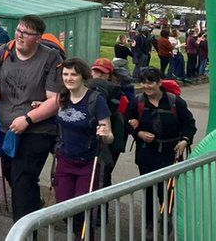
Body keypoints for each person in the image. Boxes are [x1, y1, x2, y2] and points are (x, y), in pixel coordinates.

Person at [0, 14, 63, 222]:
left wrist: (27, 120)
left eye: (26, 33)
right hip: (5, 128)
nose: (19, 36)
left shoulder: (51, 58)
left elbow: (55, 100)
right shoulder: (4, 51)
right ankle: (32, 210)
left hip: (37, 130)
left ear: (37, 38)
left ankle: (23, 232)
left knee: (22, 180)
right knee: (11, 175)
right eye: (18, 30)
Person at [126, 67, 196, 229]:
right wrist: (139, 132)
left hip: (170, 153)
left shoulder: (175, 102)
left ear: (159, 82)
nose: (146, 86)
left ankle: (167, 217)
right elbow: (127, 122)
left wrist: (185, 140)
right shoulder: (137, 102)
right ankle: (149, 224)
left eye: (150, 82)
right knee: (149, 189)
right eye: (143, 82)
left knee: (167, 189)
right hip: (146, 153)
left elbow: (189, 124)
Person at [54, 58, 112, 238]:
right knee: (63, 206)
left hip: (88, 163)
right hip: (64, 160)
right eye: (65, 74)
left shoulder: (96, 100)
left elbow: (110, 137)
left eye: (73, 74)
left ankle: (85, 236)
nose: (69, 78)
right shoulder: (62, 97)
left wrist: (104, 134)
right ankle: (77, 233)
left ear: (83, 76)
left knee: (82, 209)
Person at [89, 58, 126, 188]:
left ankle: (100, 206)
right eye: (96, 71)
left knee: (103, 174)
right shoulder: (86, 86)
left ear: (109, 75)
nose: (98, 75)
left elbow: (120, 111)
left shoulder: (116, 92)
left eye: (102, 73)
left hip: (112, 138)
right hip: (94, 138)